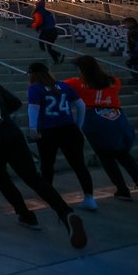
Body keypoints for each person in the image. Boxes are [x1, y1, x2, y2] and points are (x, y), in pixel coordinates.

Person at [0, 51, 87, 248]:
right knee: (33, 178)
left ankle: (25, 214)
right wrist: (1, 116)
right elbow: (15, 102)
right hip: (11, 134)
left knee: (2, 179)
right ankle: (66, 213)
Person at [65, 55, 138, 202]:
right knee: (123, 154)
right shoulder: (114, 81)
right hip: (116, 116)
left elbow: (58, 87)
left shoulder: (76, 83)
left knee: (106, 157)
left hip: (94, 118)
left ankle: (122, 189)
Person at [26, 62, 97, 211]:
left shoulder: (35, 88)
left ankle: (49, 196)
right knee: (79, 164)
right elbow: (81, 105)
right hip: (69, 129)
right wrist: (78, 125)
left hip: (48, 131)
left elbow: (33, 108)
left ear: (32, 75)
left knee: (47, 164)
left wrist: (32, 128)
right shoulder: (63, 86)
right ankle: (89, 197)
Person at [30, 0, 63, 65]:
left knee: (42, 43)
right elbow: (54, 22)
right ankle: (56, 59)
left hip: (46, 31)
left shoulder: (38, 13)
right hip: (53, 30)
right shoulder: (48, 12)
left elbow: (38, 21)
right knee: (49, 47)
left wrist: (32, 25)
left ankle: (56, 55)